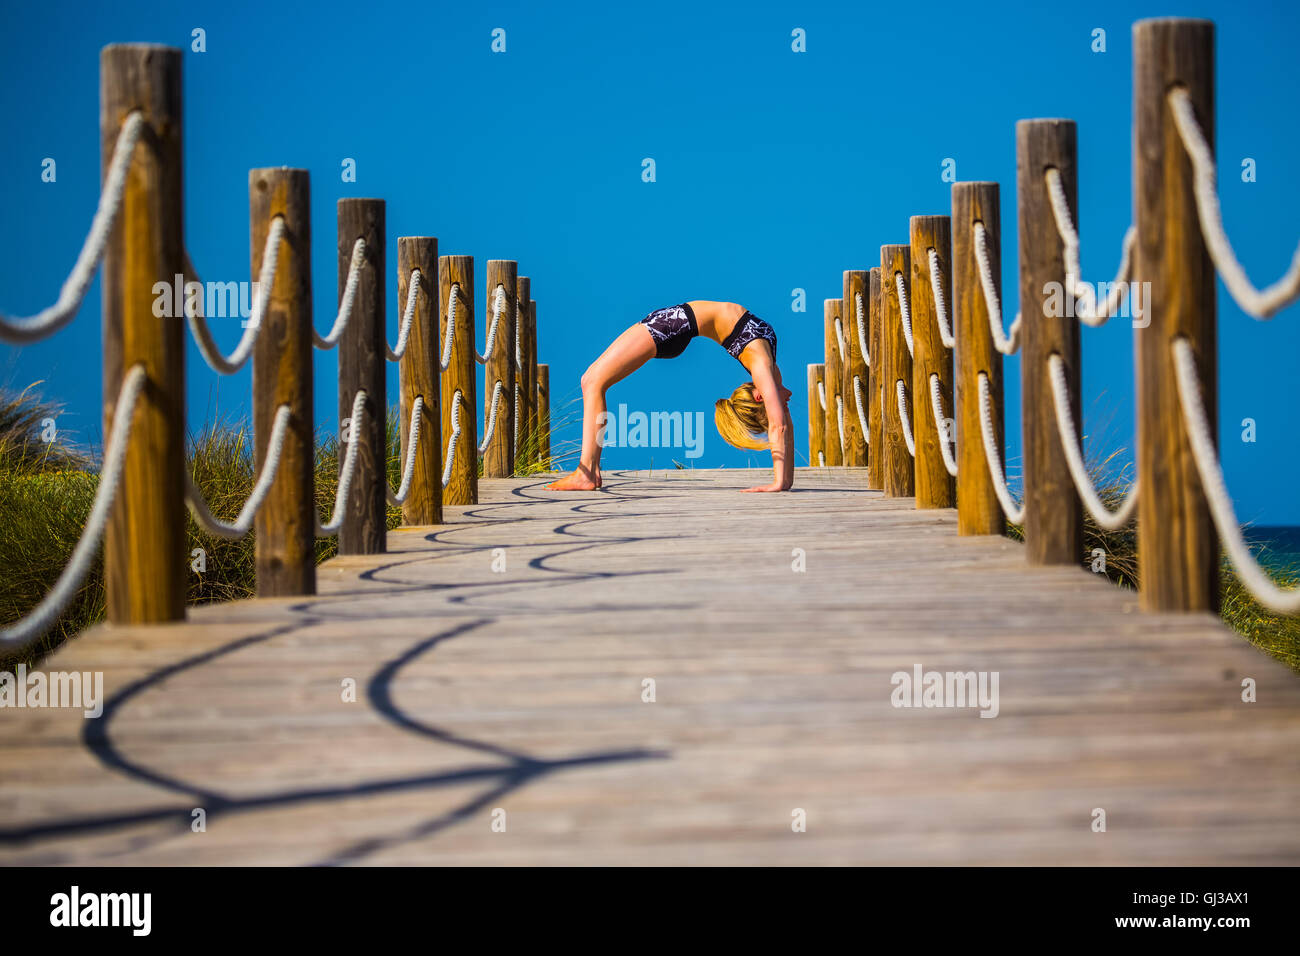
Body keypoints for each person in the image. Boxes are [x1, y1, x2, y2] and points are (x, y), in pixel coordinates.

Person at [545, 301, 794, 493]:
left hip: (674, 324)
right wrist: (783, 481)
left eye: (781, 403)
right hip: (678, 324)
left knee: (591, 381)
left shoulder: (762, 366)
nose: (788, 400)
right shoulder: (770, 370)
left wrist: (779, 482)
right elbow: (782, 424)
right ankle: (590, 471)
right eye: (783, 404)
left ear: (760, 396)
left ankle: (586, 473)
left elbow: (780, 425)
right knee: (593, 381)